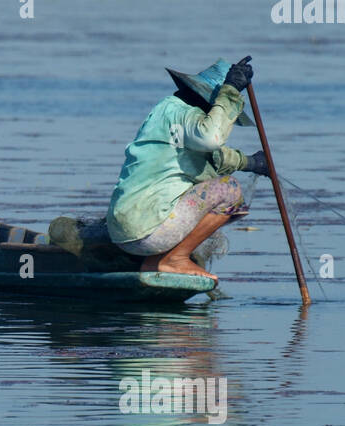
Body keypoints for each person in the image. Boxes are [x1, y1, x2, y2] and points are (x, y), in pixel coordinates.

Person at [106, 57, 270, 280]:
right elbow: (211, 139)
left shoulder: (168, 112)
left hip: (124, 233)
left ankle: (156, 261)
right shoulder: (184, 114)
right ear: (214, 102)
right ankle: (175, 259)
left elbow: (214, 157)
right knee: (230, 190)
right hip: (150, 231)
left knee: (231, 204)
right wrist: (231, 90)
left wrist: (251, 163)